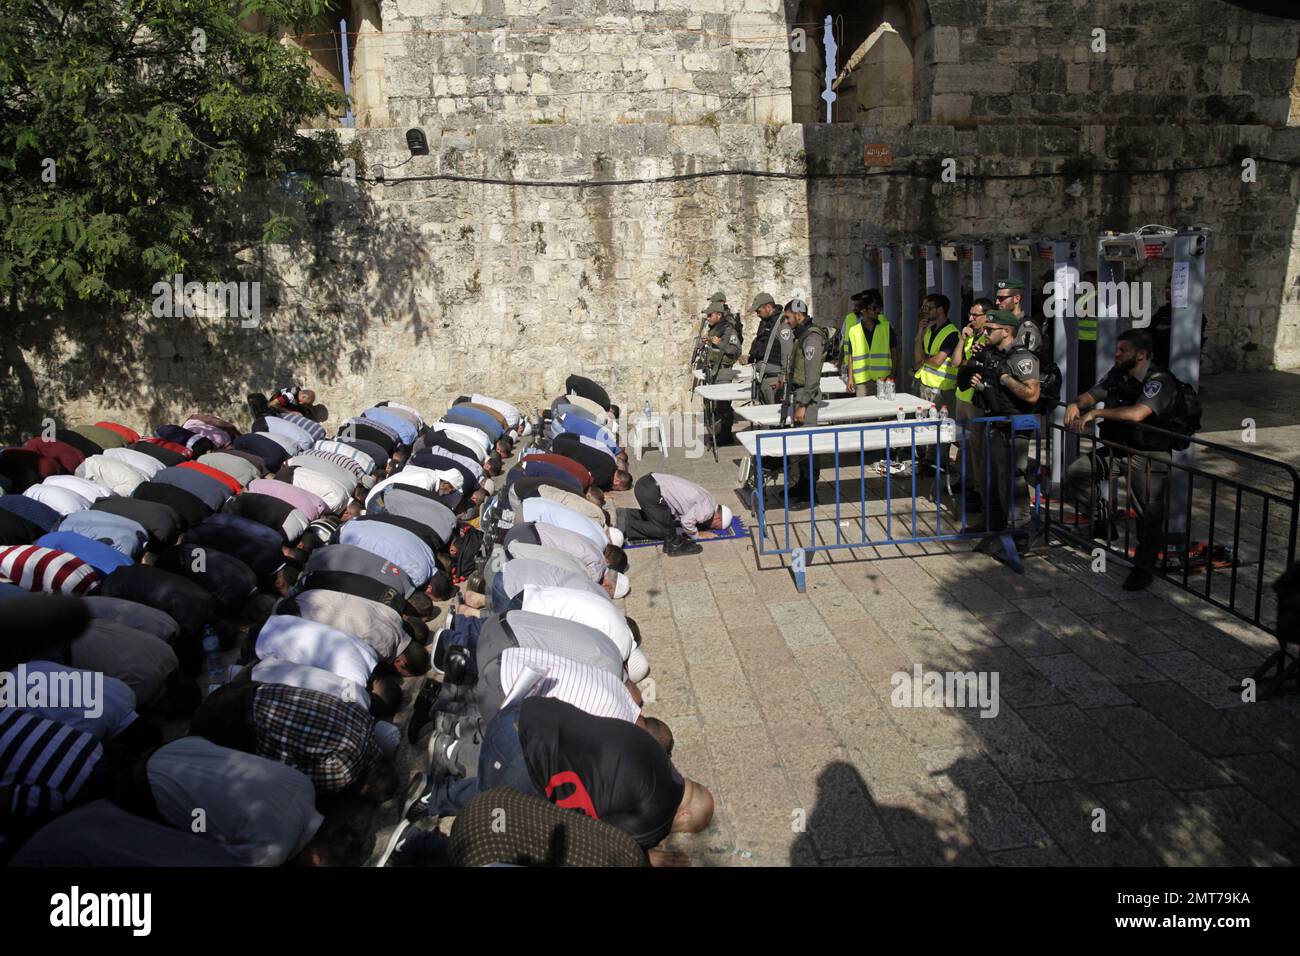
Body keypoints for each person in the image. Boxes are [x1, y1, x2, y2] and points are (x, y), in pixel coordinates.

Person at [1064, 329, 1181, 591]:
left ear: (1141, 354)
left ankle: (1145, 567)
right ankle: (1102, 522)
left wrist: (1095, 413)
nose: (1116, 355)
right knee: (1078, 471)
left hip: (1147, 455)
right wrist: (1076, 403)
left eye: (1122, 350)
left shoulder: (1159, 380)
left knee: (1147, 515)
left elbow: (1138, 413)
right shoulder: (1118, 374)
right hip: (1118, 450)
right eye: (1117, 350)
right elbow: (1093, 394)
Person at [962, 310, 1040, 542]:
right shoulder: (992, 354)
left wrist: (1005, 379)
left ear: (1006, 331)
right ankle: (991, 523)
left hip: (1013, 429)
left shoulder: (1022, 358)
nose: (984, 333)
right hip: (993, 422)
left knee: (1012, 481)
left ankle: (1020, 532)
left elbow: (1032, 394)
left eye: (989, 330)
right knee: (990, 479)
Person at [772, 299, 826, 506]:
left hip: (807, 397)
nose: (786, 321)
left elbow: (813, 377)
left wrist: (803, 404)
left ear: (798, 314)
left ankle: (811, 492)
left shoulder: (812, 337)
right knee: (802, 446)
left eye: (787, 317)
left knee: (809, 445)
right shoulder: (802, 335)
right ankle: (802, 485)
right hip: (799, 394)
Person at [617, 473, 732, 556]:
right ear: (718, 518)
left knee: (665, 519)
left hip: (647, 483)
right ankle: (627, 526)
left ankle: (628, 514)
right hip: (652, 491)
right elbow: (686, 522)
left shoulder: (710, 499)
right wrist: (698, 535)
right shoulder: (708, 511)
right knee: (665, 532)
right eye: (715, 527)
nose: (710, 528)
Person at [953, 297, 993, 501]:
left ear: (985, 316)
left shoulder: (988, 337)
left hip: (976, 400)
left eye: (975, 315)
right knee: (963, 444)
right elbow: (956, 362)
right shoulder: (969, 336)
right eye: (970, 314)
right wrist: (962, 339)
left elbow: (974, 364)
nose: (970, 318)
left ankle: (979, 490)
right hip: (962, 397)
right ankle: (966, 481)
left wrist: (966, 364)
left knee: (977, 447)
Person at [698, 301, 742, 448]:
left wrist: (718, 343)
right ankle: (721, 433)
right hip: (714, 370)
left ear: (719, 315)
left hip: (724, 370)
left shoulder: (729, 330)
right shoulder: (714, 329)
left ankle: (726, 435)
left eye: (710, 315)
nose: (708, 318)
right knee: (718, 406)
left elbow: (736, 350)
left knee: (724, 405)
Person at [740, 291, 792, 404]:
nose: (757, 314)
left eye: (759, 311)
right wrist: (749, 358)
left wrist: (783, 378)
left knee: (776, 417)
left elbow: (787, 353)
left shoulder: (783, 323)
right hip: (763, 379)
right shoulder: (765, 323)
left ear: (768, 307)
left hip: (775, 380)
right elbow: (762, 347)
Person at [843, 289, 895, 397]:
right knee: (864, 411)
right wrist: (850, 379)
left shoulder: (886, 327)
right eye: (874, 308)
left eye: (878, 308)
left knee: (884, 412)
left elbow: (894, 352)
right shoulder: (853, 331)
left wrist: (893, 374)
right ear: (863, 310)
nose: (877, 311)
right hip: (862, 380)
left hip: (884, 379)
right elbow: (851, 357)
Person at [912, 293, 959, 415]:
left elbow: (938, 360)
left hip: (941, 390)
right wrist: (920, 332)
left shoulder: (952, 333)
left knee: (939, 428)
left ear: (941, 309)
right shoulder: (930, 329)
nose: (927, 312)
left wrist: (923, 361)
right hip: (925, 386)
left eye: (930, 308)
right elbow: (918, 357)